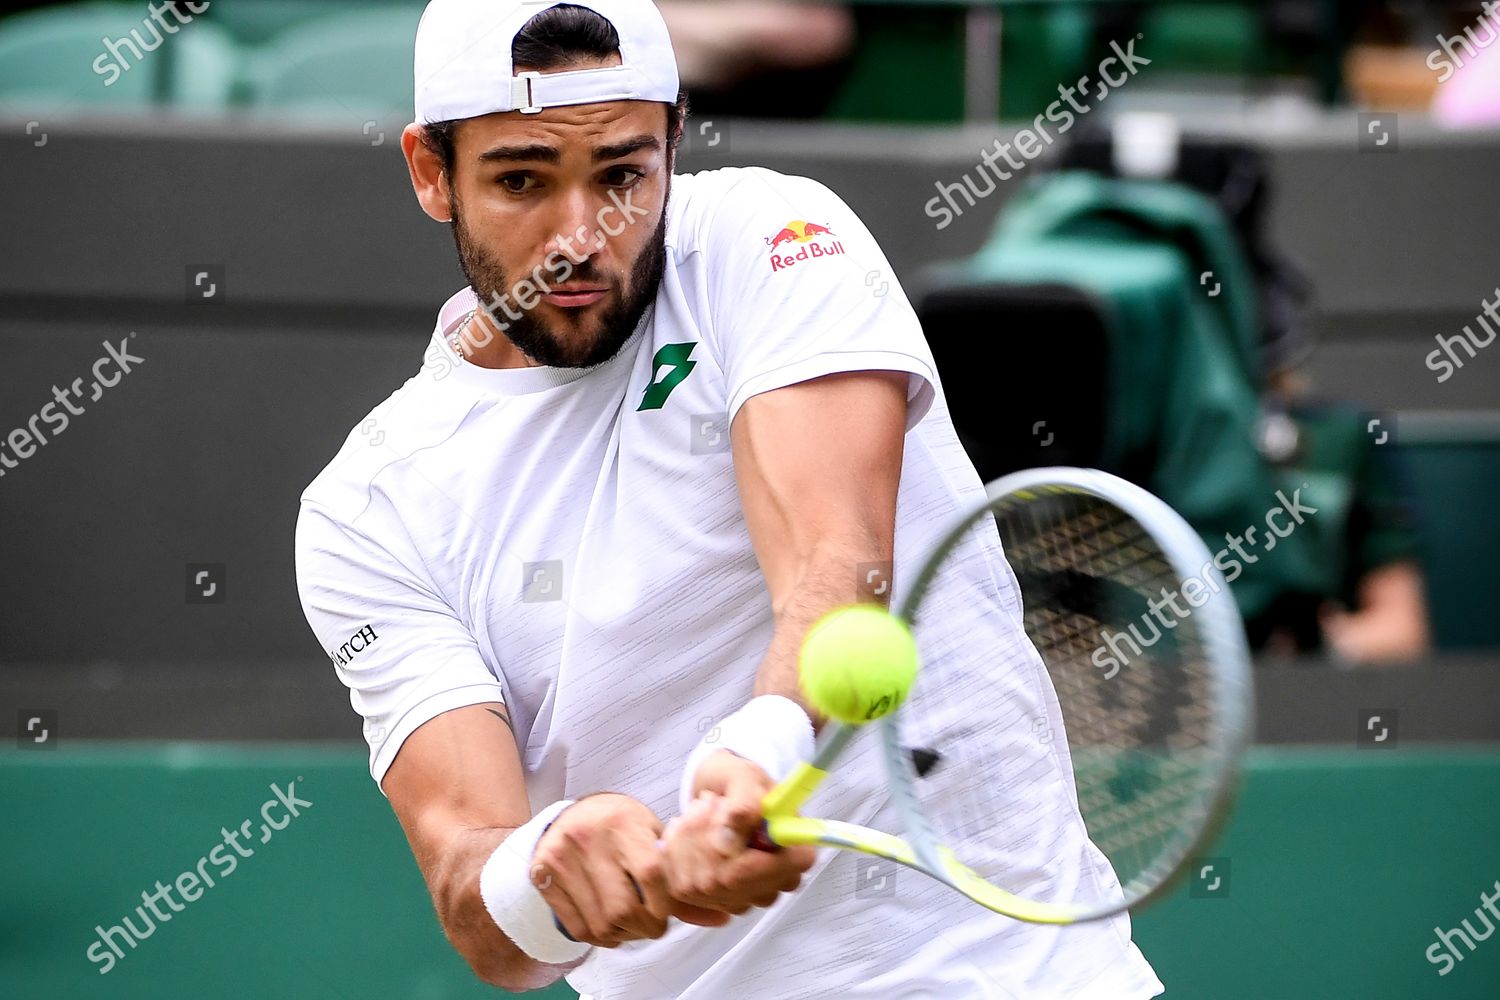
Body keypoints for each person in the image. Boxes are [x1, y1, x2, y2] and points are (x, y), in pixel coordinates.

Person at [294, 2, 1164, 996]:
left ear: (674, 140)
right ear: (429, 172)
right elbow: (480, 912)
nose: (581, 236)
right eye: (522, 179)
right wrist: (549, 867)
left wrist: (759, 749)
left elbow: (835, 557)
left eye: (623, 174)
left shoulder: (775, 239)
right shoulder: (369, 508)